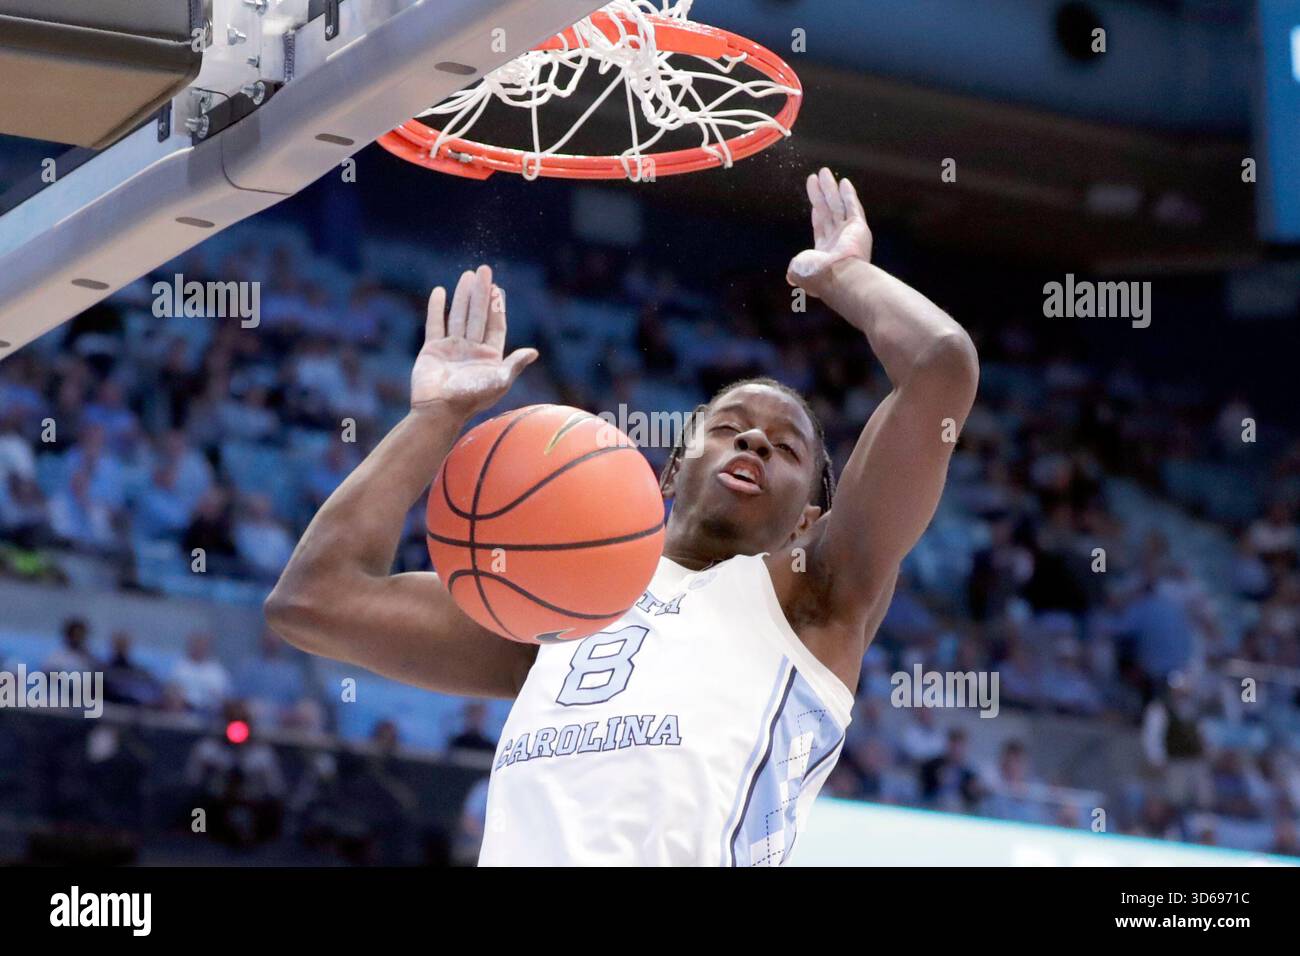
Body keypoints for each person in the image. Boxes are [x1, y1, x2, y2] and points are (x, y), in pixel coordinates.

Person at [266, 169, 979, 866]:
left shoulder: (818, 598)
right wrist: (436, 417)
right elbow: (313, 601)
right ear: (671, 470)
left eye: (787, 447)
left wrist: (839, 277)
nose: (755, 440)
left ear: (805, 524)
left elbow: (940, 367)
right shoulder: (552, 600)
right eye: (729, 427)